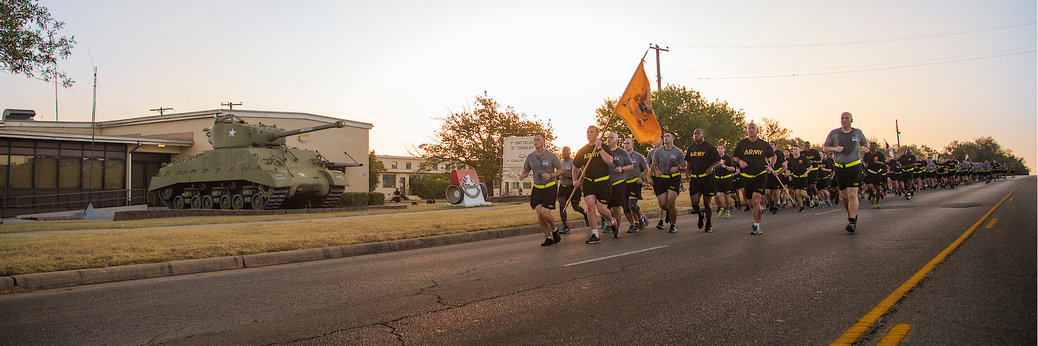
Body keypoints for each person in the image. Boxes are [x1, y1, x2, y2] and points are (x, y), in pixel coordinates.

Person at [823, 112, 869, 233]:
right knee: (844, 197)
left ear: (851, 120)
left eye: (846, 118)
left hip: (854, 166)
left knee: (852, 194)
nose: (844, 120)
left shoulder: (857, 132)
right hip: (840, 167)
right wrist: (834, 149)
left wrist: (865, 148)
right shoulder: (834, 133)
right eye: (842, 118)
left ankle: (852, 221)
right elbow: (825, 147)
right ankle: (851, 216)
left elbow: (865, 143)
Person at [519, 132, 565, 246]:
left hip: (549, 187)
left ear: (544, 141)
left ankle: (554, 229)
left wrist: (551, 175)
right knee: (539, 214)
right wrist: (523, 175)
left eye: (538, 140)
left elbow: (561, 169)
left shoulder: (551, 156)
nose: (536, 142)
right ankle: (548, 237)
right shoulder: (530, 157)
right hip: (537, 188)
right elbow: (526, 170)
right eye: (534, 140)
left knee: (545, 213)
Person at [574, 126, 617, 244]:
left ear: (597, 134)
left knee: (602, 209)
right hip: (589, 182)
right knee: (590, 207)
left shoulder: (604, 147)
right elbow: (575, 167)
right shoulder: (582, 150)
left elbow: (609, 161)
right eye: (587, 132)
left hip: (603, 182)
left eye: (592, 132)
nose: (589, 134)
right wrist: (575, 180)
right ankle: (595, 234)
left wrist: (599, 148)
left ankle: (612, 221)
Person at [733, 122, 775, 235]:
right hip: (746, 176)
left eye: (753, 128)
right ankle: (759, 210)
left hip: (760, 175)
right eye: (749, 128)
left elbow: (773, 155)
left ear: (757, 131)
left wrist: (771, 166)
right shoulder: (742, 144)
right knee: (750, 203)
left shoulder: (763, 144)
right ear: (747, 131)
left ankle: (757, 226)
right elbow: (736, 157)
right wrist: (740, 161)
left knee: (756, 200)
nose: (751, 130)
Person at [684, 128, 722, 232]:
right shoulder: (691, 148)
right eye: (694, 133)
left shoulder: (709, 147)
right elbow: (689, 162)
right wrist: (687, 171)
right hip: (695, 178)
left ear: (703, 135)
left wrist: (712, 167)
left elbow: (719, 162)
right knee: (694, 201)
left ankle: (708, 222)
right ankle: (700, 215)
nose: (696, 135)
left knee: (706, 202)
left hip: (707, 178)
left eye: (698, 133)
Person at [650, 131, 686, 233]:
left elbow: (684, 166)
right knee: (662, 204)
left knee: (671, 202)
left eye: (668, 136)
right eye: (664, 136)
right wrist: (656, 170)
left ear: (673, 138)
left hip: (673, 178)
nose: (666, 138)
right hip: (662, 178)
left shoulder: (678, 152)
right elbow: (653, 165)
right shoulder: (658, 152)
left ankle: (673, 225)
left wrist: (677, 167)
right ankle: (672, 212)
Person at [604, 132, 633, 238]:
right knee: (606, 207)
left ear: (616, 140)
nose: (608, 139)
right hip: (606, 182)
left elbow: (631, 166)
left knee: (616, 207)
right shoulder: (604, 151)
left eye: (611, 138)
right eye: (607, 137)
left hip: (619, 182)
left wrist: (622, 169)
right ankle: (611, 222)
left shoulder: (622, 152)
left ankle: (617, 229)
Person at [556, 146, 589, 234]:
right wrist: (559, 175)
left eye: (567, 152)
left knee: (576, 207)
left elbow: (581, 176)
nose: (565, 153)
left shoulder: (574, 162)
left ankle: (585, 215)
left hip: (573, 187)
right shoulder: (560, 163)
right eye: (563, 152)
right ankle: (565, 226)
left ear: (570, 152)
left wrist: (570, 176)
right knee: (562, 205)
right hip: (563, 187)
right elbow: (556, 176)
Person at [623, 138, 649, 233]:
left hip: (635, 182)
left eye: (628, 143)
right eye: (625, 143)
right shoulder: (621, 156)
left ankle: (641, 217)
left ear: (632, 145)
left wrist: (643, 179)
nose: (626, 145)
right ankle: (633, 224)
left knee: (632, 205)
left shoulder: (638, 156)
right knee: (625, 206)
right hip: (623, 183)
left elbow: (646, 168)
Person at [713, 143, 737, 219]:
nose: (720, 150)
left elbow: (733, 169)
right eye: (718, 148)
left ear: (724, 149)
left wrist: (725, 167)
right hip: (717, 178)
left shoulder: (727, 158)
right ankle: (721, 207)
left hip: (726, 178)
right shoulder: (714, 158)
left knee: (726, 196)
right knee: (717, 195)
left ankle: (727, 210)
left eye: (721, 148)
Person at [785, 144, 811, 213]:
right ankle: (802, 206)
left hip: (803, 177)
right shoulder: (791, 160)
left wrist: (807, 172)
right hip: (795, 178)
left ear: (799, 150)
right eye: (793, 149)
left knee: (803, 192)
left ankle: (807, 198)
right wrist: (789, 175)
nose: (795, 150)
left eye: (796, 149)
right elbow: (788, 169)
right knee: (797, 193)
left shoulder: (803, 158)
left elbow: (810, 166)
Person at [863, 142, 887, 208]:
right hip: (870, 172)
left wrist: (878, 162)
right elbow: (864, 161)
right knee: (869, 187)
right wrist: (865, 165)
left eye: (871, 146)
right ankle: (872, 195)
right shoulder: (867, 154)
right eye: (869, 146)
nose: (869, 147)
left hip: (878, 173)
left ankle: (877, 202)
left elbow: (884, 163)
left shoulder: (880, 154)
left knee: (878, 188)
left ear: (874, 147)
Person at [802, 141, 823, 208]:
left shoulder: (814, 152)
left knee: (812, 186)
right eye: (805, 146)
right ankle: (811, 200)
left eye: (807, 146)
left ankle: (816, 196)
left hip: (814, 171)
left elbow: (820, 161)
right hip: (807, 172)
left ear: (810, 146)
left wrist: (814, 161)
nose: (806, 148)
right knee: (807, 188)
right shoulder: (802, 153)